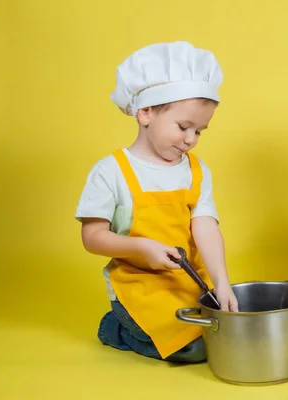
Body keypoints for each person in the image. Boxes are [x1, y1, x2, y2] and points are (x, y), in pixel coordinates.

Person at [75, 41, 238, 362]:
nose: (191, 140)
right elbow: (92, 237)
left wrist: (222, 282)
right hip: (139, 284)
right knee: (194, 349)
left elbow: (205, 225)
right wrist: (142, 249)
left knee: (228, 335)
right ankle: (116, 327)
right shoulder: (111, 171)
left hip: (188, 278)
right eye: (183, 127)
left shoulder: (196, 170)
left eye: (200, 131)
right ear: (145, 112)